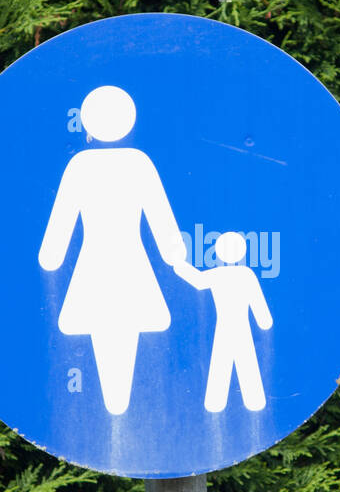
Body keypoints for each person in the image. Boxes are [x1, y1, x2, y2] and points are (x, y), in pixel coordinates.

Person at [38, 86, 185, 415]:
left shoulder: (80, 165)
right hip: (131, 265)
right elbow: (161, 220)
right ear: (129, 122)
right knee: (123, 328)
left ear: (88, 124)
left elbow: (61, 223)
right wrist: (174, 254)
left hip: (95, 266)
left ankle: (117, 411)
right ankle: (117, 411)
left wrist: (50, 258)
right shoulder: (139, 163)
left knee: (106, 329)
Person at [172, 231, 272, 412]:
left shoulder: (219, 274)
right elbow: (258, 302)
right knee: (244, 360)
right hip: (239, 326)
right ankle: (254, 402)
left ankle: (215, 403)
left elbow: (198, 280)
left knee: (223, 361)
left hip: (225, 326)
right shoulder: (246, 274)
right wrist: (264, 321)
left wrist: (179, 266)